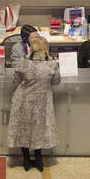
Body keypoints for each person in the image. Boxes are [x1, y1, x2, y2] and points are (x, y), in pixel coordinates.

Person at [10, 34, 60, 171]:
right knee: (39, 129)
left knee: (24, 129)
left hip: (24, 100)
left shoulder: (23, 62)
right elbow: (56, 81)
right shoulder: (52, 63)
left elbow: (15, 80)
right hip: (43, 102)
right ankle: (38, 159)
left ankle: (26, 160)